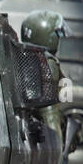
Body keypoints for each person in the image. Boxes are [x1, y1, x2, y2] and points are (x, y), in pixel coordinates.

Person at [20, 9, 67, 141]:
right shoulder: (46, 63)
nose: (58, 39)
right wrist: (58, 150)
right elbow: (49, 112)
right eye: (56, 35)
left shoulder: (25, 56)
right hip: (45, 135)